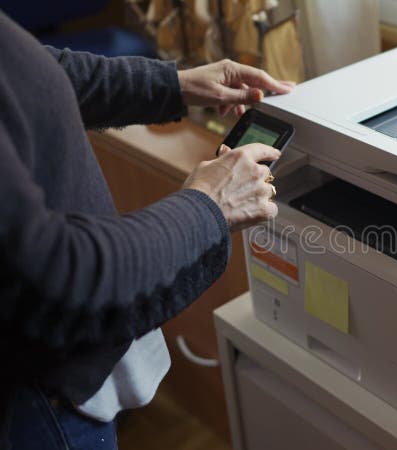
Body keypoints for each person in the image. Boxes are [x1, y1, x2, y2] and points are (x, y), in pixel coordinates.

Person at [0, 10, 293, 450]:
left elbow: (30, 71)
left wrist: (175, 85)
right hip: (36, 398)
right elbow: (55, 273)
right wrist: (208, 206)